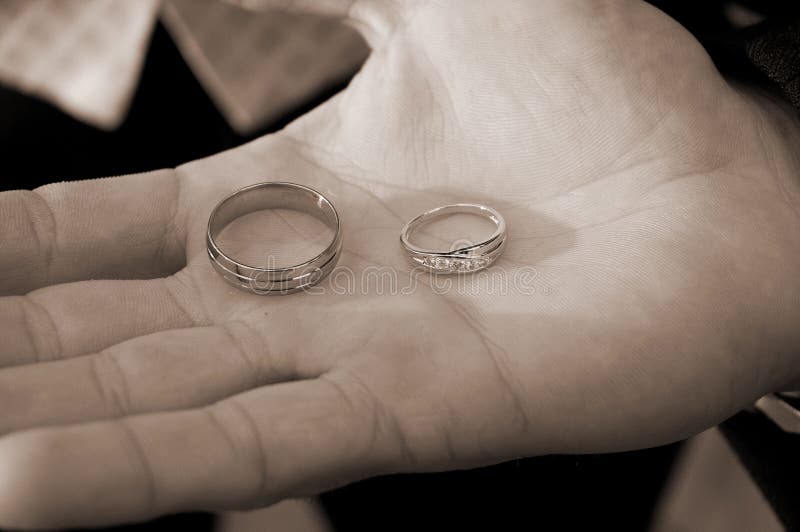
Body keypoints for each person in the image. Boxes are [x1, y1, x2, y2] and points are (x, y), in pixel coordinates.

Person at [0, 0, 798, 529]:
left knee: (502, 491)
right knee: (111, 465)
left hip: (425, 71)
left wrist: (779, 162)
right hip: (38, 62)